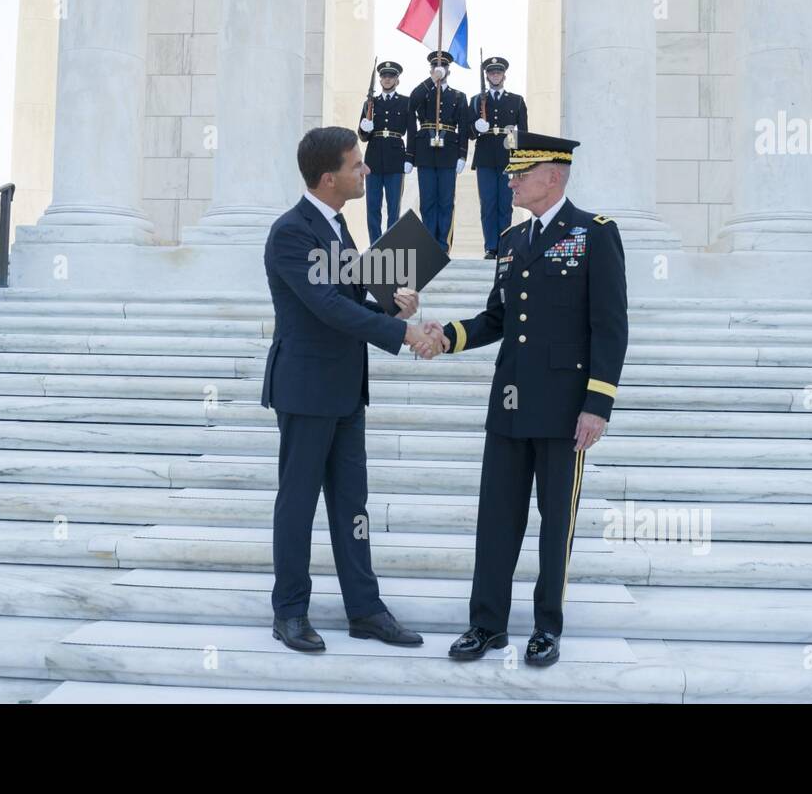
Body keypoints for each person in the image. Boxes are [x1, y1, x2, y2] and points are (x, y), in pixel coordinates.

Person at [421, 131, 629, 667]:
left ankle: (546, 627)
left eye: (521, 173)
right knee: (497, 518)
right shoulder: (512, 241)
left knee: (555, 521)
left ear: (553, 177)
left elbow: (610, 327)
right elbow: (497, 319)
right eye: (511, 173)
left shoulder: (594, 233)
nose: (510, 180)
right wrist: (447, 335)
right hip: (509, 403)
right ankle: (485, 624)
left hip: (565, 409)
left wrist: (597, 404)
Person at [261, 126, 445, 652]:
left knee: (353, 507)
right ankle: (290, 611)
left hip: (345, 390)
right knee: (297, 505)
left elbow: (348, 304)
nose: (366, 171)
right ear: (328, 177)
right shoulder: (292, 233)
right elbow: (326, 307)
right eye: (357, 164)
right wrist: (403, 332)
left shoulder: (339, 227)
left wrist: (392, 308)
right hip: (305, 389)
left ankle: (365, 609)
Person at [407, 50, 469, 253]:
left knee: (445, 201)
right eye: (435, 67)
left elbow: (464, 127)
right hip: (425, 152)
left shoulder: (459, 96)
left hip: (448, 153)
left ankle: (443, 245)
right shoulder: (424, 92)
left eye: (443, 67)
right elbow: (411, 103)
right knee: (427, 201)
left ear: (449, 70)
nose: (440, 69)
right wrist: (431, 80)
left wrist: (462, 154)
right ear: (432, 69)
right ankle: (428, 244)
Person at [467, 56, 527, 259]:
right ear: (487, 76)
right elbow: (469, 132)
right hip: (484, 156)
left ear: (504, 75)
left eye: (498, 72)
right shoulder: (476, 100)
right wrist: (476, 127)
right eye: (492, 73)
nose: (495, 75)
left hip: (506, 157)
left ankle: (504, 245)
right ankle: (490, 247)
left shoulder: (516, 100)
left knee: (505, 203)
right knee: (488, 204)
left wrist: (520, 161)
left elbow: (523, 133)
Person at [358, 61, 411, 243]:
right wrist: (365, 128)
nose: (387, 79)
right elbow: (363, 136)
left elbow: (411, 130)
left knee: (393, 206)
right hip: (373, 157)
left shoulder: (405, 102)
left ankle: (391, 243)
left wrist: (410, 157)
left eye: (391, 76)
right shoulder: (370, 103)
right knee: (373, 205)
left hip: (396, 158)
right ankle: (375, 243)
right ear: (380, 80)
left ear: (397, 80)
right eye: (384, 76)